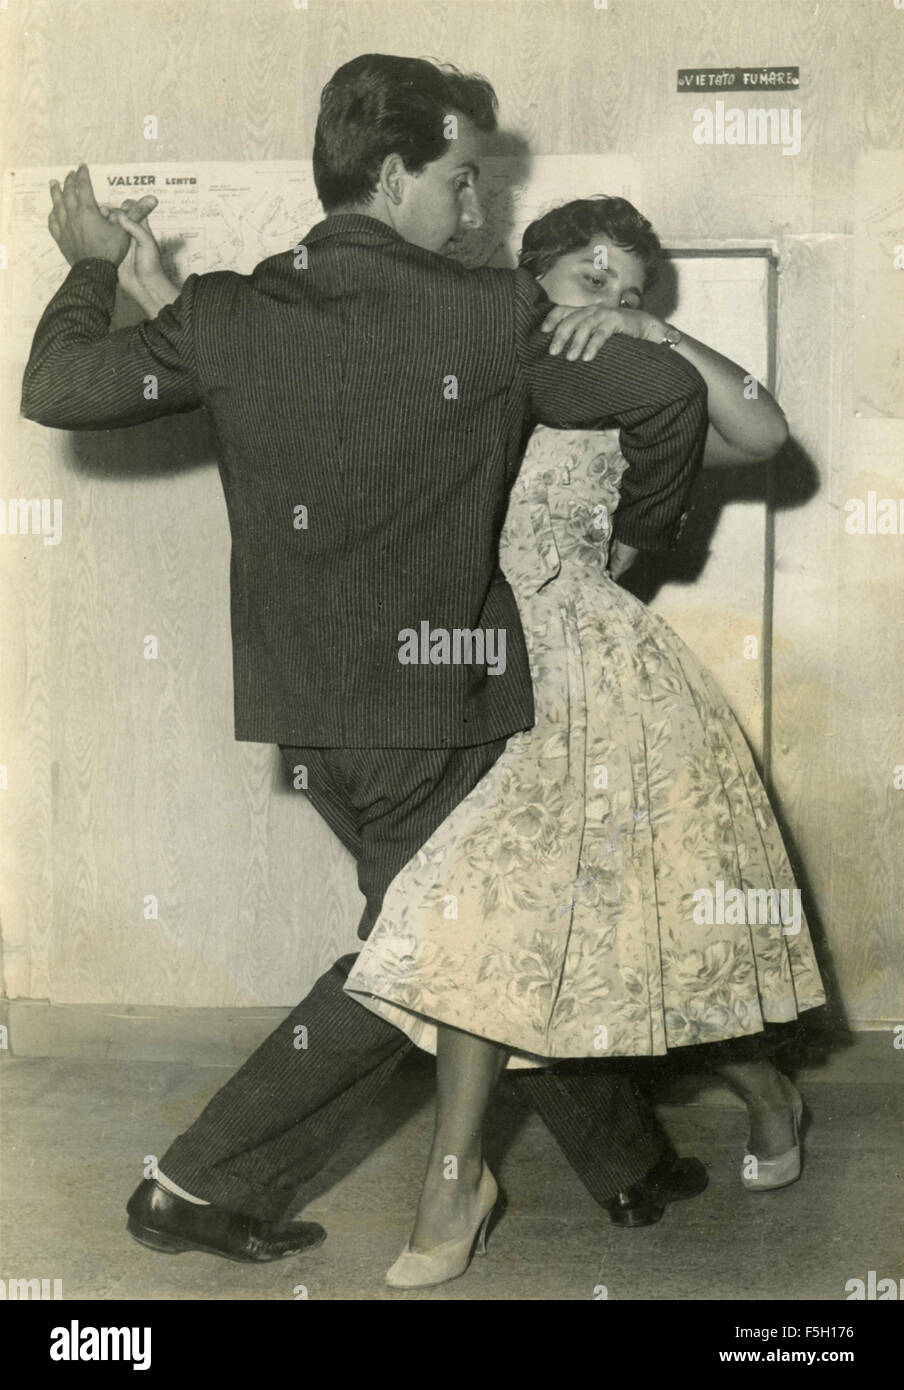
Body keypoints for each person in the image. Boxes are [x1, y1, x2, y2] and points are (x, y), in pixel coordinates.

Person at [21, 55, 711, 1267]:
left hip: (311, 714)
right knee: (422, 958)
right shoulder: (491, 314)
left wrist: (92, 262)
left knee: (472, 923)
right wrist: (638, 543)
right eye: (460, 180)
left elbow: (61, 385)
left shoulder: (233, 310)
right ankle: (193, 1185)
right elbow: (663, 396)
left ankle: (627, 1162)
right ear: (394, 177)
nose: (479, 209)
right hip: (441, 705)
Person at [336, 195, 826, 1285]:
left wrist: (660, 338)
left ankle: (764, 1088)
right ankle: (454, 1180)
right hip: (480, 669)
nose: (612, 300)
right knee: (478, 924)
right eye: (590, 278)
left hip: (606, 680)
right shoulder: (477, 362)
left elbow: (764, 428)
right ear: (533, 277)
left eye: (632, 286)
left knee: (667, 946)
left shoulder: (637, 386)